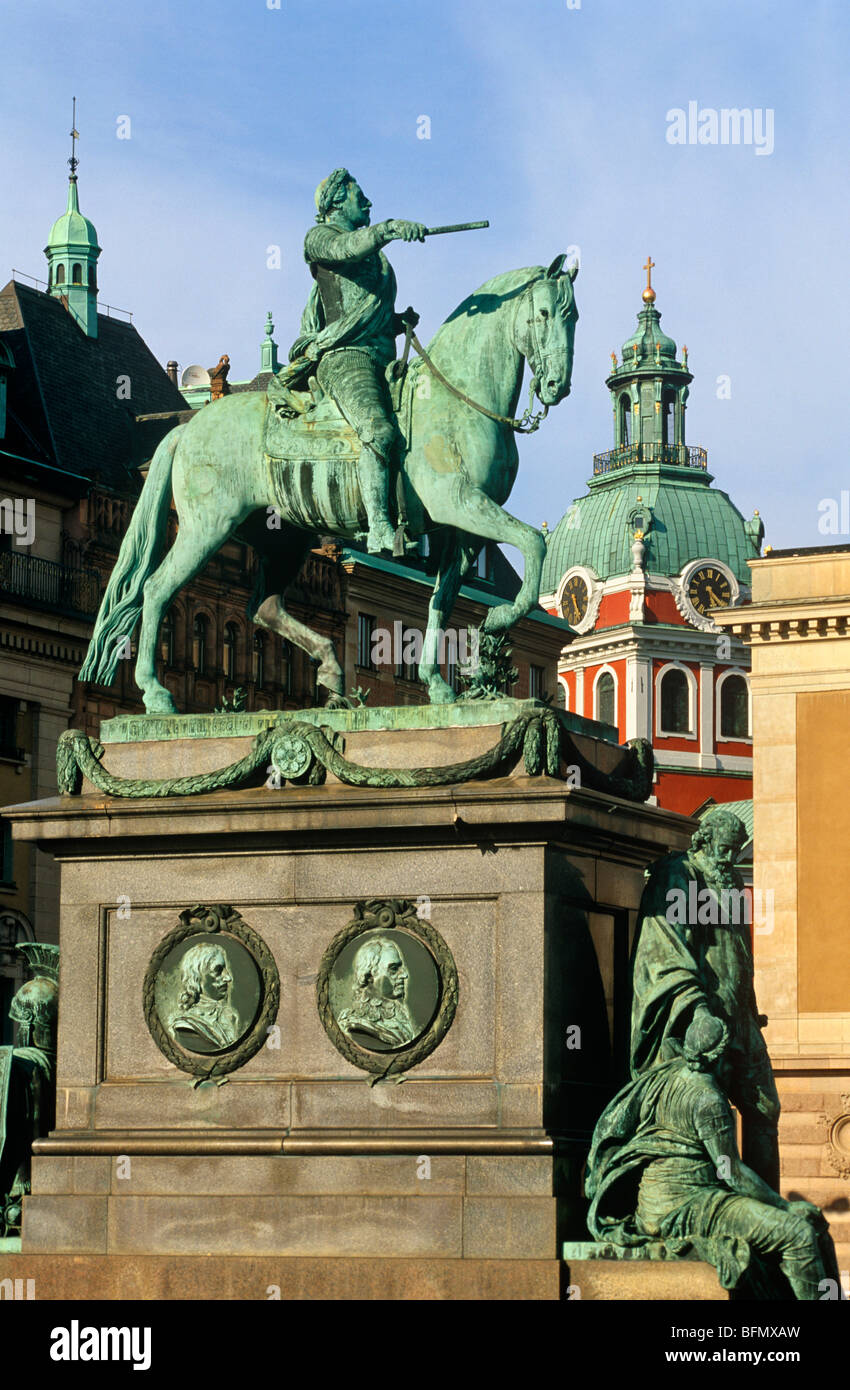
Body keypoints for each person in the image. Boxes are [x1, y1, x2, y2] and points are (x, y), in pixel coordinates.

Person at [586, 1012, 839, 1300]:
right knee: (799, 1235)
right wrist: (784, 1207)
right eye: (729, 1058)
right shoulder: (709, 1100)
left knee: (807, 1230)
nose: (732, 1065)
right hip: (689, 1207)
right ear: (717, 1059)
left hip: (652, 1206)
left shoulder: (665, 1077)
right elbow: (732, 1173)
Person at [629, 806, 780, 1188]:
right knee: (708, 1122)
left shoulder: (728, 884)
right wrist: (696, 1011)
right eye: (724, 849)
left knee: (765, 1109)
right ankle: (712, 1205)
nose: (730, 859)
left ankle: (769, 1213)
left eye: (736, 851)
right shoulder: (679, 874)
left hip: (742, 1020)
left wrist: (750, 1009)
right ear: (703, 841)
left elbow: (737, 954)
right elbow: (664, 951)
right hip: (701, 1022)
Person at [280, 168, 427, 555]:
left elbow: (365, 313)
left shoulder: (375, 260)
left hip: (380, 356)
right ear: (336, 202)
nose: (368, 202)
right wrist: (390, 228)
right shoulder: (320, 239)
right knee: (377, 431)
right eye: (360, 195)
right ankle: (379, 525)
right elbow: (350, 249)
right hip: (345, 358)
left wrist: (396, 323)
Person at [338, 935, 416, 1047]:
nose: (404, 974)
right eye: (394, 969)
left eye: (401, 968)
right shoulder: (357, 1027)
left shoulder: (399, 1016)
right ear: (369, 976)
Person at [169, 943, 240, 1051]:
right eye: (218, 971)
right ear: (196, 977)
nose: (228, 978)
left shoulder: (228, 1017)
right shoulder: (185, 1028)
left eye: (225, 970)